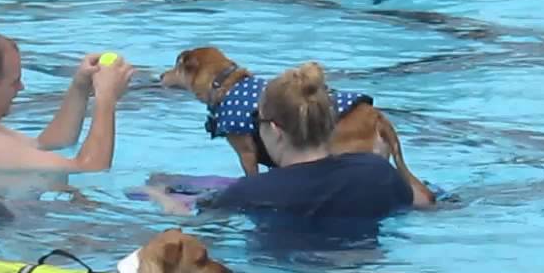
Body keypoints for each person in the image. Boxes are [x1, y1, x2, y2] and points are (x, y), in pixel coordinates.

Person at [147, 61, 432, 218]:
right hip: (366, 269)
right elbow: (422, 202)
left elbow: (192, 224)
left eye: (256, 120)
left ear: (275, 129)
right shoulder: (379, 172)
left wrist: (159, 196)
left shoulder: (248, 193)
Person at [0, 29, 135, 173]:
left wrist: (80, 87)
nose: (21, 88)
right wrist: (107, 98)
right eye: (14, 81)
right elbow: (90, 169)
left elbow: (47, 145)